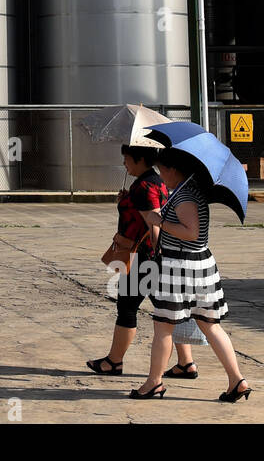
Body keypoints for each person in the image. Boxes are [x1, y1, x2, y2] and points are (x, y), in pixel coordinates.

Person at [130, 148, 252, 403]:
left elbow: (191, 233)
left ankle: (153, 383)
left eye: (163, 170)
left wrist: (159, 221)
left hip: (181, 268)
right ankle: (236, 380)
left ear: (173, 169)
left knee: (163, 327)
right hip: (199, 267)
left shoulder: (185, 195)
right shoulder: (189, 191)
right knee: (210, 325)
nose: (161, 176)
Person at [86, 144, 198, 379]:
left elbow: (153, 223)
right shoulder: (157, 182)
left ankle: (113, 362)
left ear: (139, 160)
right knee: (167, 309)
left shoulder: (144, 186)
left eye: (127, 159)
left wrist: (156, 255)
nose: (125, 163)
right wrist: (126, 201)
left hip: (144, 258)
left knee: (127, 307)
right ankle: (186, 363)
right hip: (154, 257)